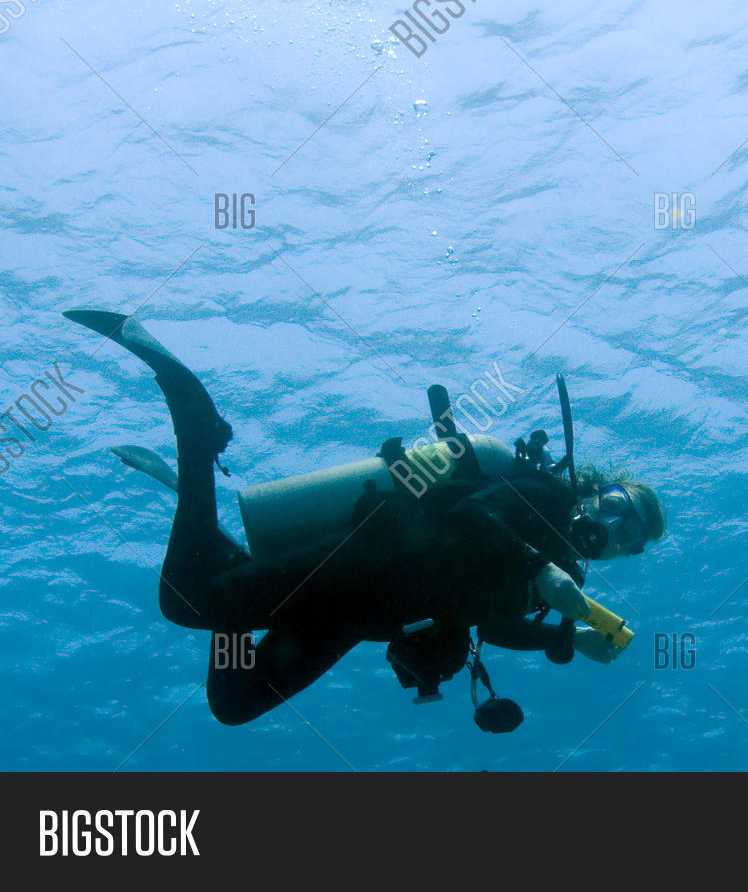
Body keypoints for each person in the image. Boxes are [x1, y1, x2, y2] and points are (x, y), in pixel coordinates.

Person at [64, 309, 665, 730]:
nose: (612, 528)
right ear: (594, 492)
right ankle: (196, 429)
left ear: (625, 556)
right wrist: (540, 568)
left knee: (234, 701)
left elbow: (492, 622)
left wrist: (568, 637)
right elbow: (472, 515)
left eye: (628, 535)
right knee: (187, 604)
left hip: (363, 619)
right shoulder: (540, 494)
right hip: (356, 568)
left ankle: (232, 563)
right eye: (616, 507)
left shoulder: (563, 582)